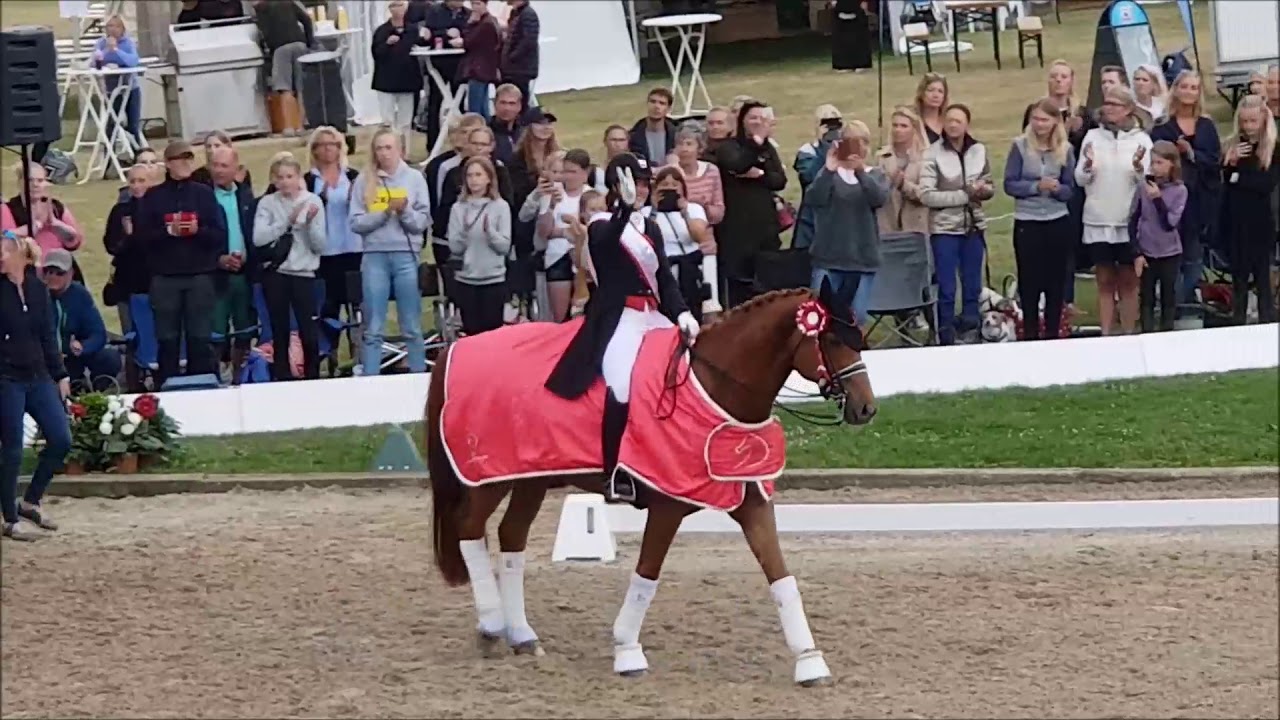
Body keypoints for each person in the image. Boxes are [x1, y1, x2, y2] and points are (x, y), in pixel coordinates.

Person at [544, 153, 700, 505]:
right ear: (617, 187)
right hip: (619, 320)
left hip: (652, 316)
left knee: (685, 373)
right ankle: (616, 472)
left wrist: (683, 313)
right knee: (622, 383)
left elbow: (662, 277)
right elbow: (605, 242)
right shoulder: (601, 223)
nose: (643, 190)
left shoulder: (651, 228)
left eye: (646, 184)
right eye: (636, 184)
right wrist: (625, 210)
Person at [136, 140, 226, 385]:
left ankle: (204, 384)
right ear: (168, 163)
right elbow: (141, 238)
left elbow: (219, 235)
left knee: (200, 337)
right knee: (167, 338)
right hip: (165, 278)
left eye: (189, 158)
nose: (185, 163)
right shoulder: (153, 197)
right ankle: (167, 384)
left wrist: (197, 230)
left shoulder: (204, 194)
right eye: (179, 159)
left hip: (199, 275)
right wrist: (168, 232)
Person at [0, 232, 70, 541]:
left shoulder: (38, 291)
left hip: (38, 375)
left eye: (3, 251)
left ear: (19, 255)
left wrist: (60, 374)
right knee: (12, 449)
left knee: (61, 439)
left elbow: (47, 336)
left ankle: (31, 500)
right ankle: (9, 518)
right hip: (6, 378)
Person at [349, 129, 432, 376]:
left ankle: (418, 376)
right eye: (379, 148)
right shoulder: (364, 181)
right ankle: (371, 376)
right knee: (374, 323)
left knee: (411, 323)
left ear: (400, 151)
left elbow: (421, 222)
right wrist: (384, 213)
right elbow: (355, 223)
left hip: (406, 254)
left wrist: (404, 211)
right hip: (375, 255)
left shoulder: (415, 179)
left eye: (388, 148)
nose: (384, 153)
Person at [1075, 86, 1151, 336]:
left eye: (1115, 104)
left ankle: (1129, 334)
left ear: (1128, 109)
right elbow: (1079, 179)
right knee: (1105, 281)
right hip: (1098, 219)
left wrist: (1139, 169)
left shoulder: (1141, 140)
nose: (1108, 108)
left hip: (1127, 221)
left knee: (1129, 282)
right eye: (1106, 103)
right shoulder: (1093, 137)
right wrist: (1087, 167)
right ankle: (1106, 335)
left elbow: (1146, 182)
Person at [920, 103, 995, 345]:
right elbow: (927, 195)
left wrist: (983, 191)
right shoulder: (932, 153)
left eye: (958, 121)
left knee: (973, 283)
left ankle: (972, 331)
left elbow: (989, 184)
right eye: (949, 120)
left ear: (966, 125)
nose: (953, 125)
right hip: (944, 229)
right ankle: (945, 335)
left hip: (973, 227)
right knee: (947, 287)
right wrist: (964, 195)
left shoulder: (978, 150)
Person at [1004, 98, 1078, 340]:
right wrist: (1036, 186)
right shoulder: (1020, 146)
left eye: (1045, 120)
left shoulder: (1065, 150)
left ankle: (1054, 333)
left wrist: (1057, 189)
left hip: (1057, 221)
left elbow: (1071, 189)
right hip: (1028, 221)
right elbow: (1010, 184)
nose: (1039, 124)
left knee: (1056, 282)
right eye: (1035, 119)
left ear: (1056, 122)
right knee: (1030, 281)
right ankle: (1031, 335)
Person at [1150, 70, 1222, 314]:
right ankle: (1169, 308)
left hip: (1199, 201)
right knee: (1169, 259)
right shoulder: (1162, 127)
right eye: (1185, 86)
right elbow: (1156, 161)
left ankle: (1180, 305)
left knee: (1193, 257)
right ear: (1176, 89)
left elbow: (1214, 162)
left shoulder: (1207, 125)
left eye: (1194, 87)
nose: (1189, 92)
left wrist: (1190, 153)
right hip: (1167, 200)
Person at [805, 120, 888, 327]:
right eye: (850, 143)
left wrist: (859, 170)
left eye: (862, 144)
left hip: (862, 258)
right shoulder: (828, 175)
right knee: (820, 316)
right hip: (828, 257)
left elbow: (878, 199)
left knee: (856, 316)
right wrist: (829, 169)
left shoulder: (875, 175)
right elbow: (814, 198)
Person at [253, 153, 327, 381]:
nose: (285, 181)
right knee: (279, 327)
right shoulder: (267, 203)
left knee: (308, 328)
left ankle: (312, 374)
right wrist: (288, 222)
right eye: (280, 177)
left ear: (298, 177)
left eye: (289, 176)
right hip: (277, 272)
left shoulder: (313, 201)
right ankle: (282, 374)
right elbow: (259, 238)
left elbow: (320, 245)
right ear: (274, 180)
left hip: (304, 273)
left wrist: (308, 225)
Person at [713, 100, 787, 308]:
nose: (758, 122)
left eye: (762, 118)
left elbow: (779, 180)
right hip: (737, 230)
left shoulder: (768, 148)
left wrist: (759, 174)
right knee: (740, 290)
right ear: (742, 121)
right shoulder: (728, 147)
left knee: (768, 284)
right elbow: (738, 163)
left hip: (765, 229)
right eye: (753, 118)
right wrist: (755, 143)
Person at [1219, 96, 1278, 325]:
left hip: (1261, 222)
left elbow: (1265, 184)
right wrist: (1230, 165)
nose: (1248, 127)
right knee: (1239, 280)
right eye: (1244, 122)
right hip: (1235, 221)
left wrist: (1236, 177)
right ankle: (1238, 324)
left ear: (1263, 120)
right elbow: (1224, 181)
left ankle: (1267, 325)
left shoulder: (1273, 149)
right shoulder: (1231, 146)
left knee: (1263, 279)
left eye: (1253, 121)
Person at [304, 126, 363, 346]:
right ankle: (330, 354)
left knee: (358, 305)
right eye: (323, 145)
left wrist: (354, 201)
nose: (329, 149)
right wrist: (321, 200)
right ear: (315, 150)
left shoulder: (354, 177)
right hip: (325, 253)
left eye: (334, 144)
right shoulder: (309, 181)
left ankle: (359, 353)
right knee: (329, 308)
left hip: (354, 249)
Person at [447, 156, 513, 335]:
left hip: (493, 279)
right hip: (466, 279)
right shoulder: (458, 208)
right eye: (469, 175)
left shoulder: (500, 207)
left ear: (488, 178)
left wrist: (490, 232)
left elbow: (504, 247)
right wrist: (464, 234)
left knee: (493, 334)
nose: (474, 180)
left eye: (478, 174)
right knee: (471, 333)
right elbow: (455, 247)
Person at [40, 248, 121, 390]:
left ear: (71, 273)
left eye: (59, 273)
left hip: (72, 356)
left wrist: (83, 346)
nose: (53, 277)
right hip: (44, 357)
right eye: (48, 272)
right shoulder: (35, 295)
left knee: (109, 357)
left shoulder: (80, 294)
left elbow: (98, 333)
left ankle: (97, 392)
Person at [208, 146, 258, 375]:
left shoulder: (246, 195)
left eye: (224, 166)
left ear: (237, 169)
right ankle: (216, 375)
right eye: (214, 165)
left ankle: (241, 376)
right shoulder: (204, 196)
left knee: (244, 328)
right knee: (216, 330)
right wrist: (218, 259)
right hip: (215, 275)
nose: (218, 170)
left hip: (244, 274)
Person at [1128, 141, 1187, 333]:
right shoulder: (1143, 187)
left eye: (1160, 162)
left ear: (1172, 164)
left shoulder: (1180, 191)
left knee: (1168, 295)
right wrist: (1137, 252)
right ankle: (1146, 333)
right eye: (1153, 162)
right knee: (1146, 296)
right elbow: (1132, 220)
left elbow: (1169, 224)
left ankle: (1167, 333)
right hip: (1147, 251)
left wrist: (1158, 200)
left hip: (1170, 252)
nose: (1155, 167)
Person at [646, 166, 717, 322]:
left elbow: (699, 236)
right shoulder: (645, 213)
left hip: (689, 267)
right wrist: (654, 210)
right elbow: (644, 239)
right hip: (663, 267)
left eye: (674, 185)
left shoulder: (694, 209)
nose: (670, 189)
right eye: (664, 186)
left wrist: (685, 214)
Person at [4, 163, 86, 284]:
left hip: (59, 271)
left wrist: (55, 225)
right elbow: (5, 240)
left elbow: (75, 242)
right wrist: (32, 227)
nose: (35, 184)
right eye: (30, 180)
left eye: (40, 180)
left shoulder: (56, 207)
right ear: (20, 182)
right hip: (26, 275)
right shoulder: (8, 209)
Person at [372, 0, 428, 159]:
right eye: (394, 5)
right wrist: (387, 44)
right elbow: (376, 54)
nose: (398, 9)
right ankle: (385, 152)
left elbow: (422, 45)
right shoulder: (382, 31)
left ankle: (405, 153)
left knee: (405, 121)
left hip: (407, 80)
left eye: (400, 5)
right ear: (389, 9)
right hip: (386, 81)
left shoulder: (413, 30)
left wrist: (426, 37)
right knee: (387, 121)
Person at [103, 164, 153, 333]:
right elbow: (111, 245)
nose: (137, 185)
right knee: (131, 331)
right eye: (133, 181)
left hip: (154, 280)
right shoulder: (120, 211)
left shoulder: (158, 208)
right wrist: (127, 237)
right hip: (126, 281)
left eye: (142, 181)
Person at [253, 0, 315, 136]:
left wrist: (268, 51)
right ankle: (302, 126)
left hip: (280, 48)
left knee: (285, 89)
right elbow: (307, 20)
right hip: (300, 44)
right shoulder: (288, 2)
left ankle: (289, 127)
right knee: (302, 88)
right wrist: (309, 42)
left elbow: (264, 34)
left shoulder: (261, 10)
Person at [418, 0, 469, 151]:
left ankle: (461, 144)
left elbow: (471, 32)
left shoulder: (467, 13)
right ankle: (432, 145)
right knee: (434, 103)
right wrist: (447, 35)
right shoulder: (434, 11)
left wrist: (461, 38)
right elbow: (429, 33)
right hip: (438, 64)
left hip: (459, 65)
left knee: (459, 105)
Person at [91, 15, 143, 157]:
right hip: (110, 90)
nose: (113, 30)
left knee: (133, 125)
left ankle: (137, 157)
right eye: (110, 26)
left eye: (117, 26)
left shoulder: (128, 43)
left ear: (123, 29)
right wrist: (107, 50)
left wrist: (116, 50)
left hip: (130, 88)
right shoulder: (101, 43)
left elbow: (133, 61)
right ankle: (109, 160)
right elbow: (93, 61)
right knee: (111, 126)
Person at [459, 0, 501, 121]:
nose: (474, 7)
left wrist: (470, 24)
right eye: (472, 4)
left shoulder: (485, 24)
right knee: (483, 106)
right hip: (485, 69)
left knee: (476, 109)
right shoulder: (491, 20)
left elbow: (469, 41)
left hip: (478, 69)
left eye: (478, 4)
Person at [499, 0, 540, 113]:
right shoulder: (515, 13)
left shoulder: (528, 14)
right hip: (512, 68)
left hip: (521, 68)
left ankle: (523, 126)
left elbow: (529, 41)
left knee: (520, 102)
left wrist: (512, 57)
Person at [628, 88, 678, 166]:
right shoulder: (633, 136)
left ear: (668, 108)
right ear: (647, 104)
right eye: (653, 102)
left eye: (662, 103)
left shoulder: (677, 135)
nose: (656, 106)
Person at [191, 130, 255, 190]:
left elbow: (248, 198)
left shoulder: (241, 172)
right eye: (209, 146)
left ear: (228, 147)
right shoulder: (198, 175)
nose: (212, 150)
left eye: (217, 146)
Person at [829, 0, 871, 73]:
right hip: (840, 11)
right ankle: (843, 64)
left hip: (857, 11)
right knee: (842, 40)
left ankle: (861, 64)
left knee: (858, 38)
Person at [489, 83, 525, 164]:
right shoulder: (486, 133)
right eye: (503, 103)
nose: (507, 108)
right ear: (495, 104)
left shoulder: (526, 133)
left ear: (519, 106)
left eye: (512, 103)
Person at [592, 125, 633, 192]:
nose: (617, 144)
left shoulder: (635, 170)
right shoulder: (595, 172)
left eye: (621, 140)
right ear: (605, 142)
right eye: (613, 140)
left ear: (628, 142)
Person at [913, 73, 948, 144]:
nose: (936, 95)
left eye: (940, 91)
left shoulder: (949, 121)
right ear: (921, 93)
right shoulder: (913, 122)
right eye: (930, 90)